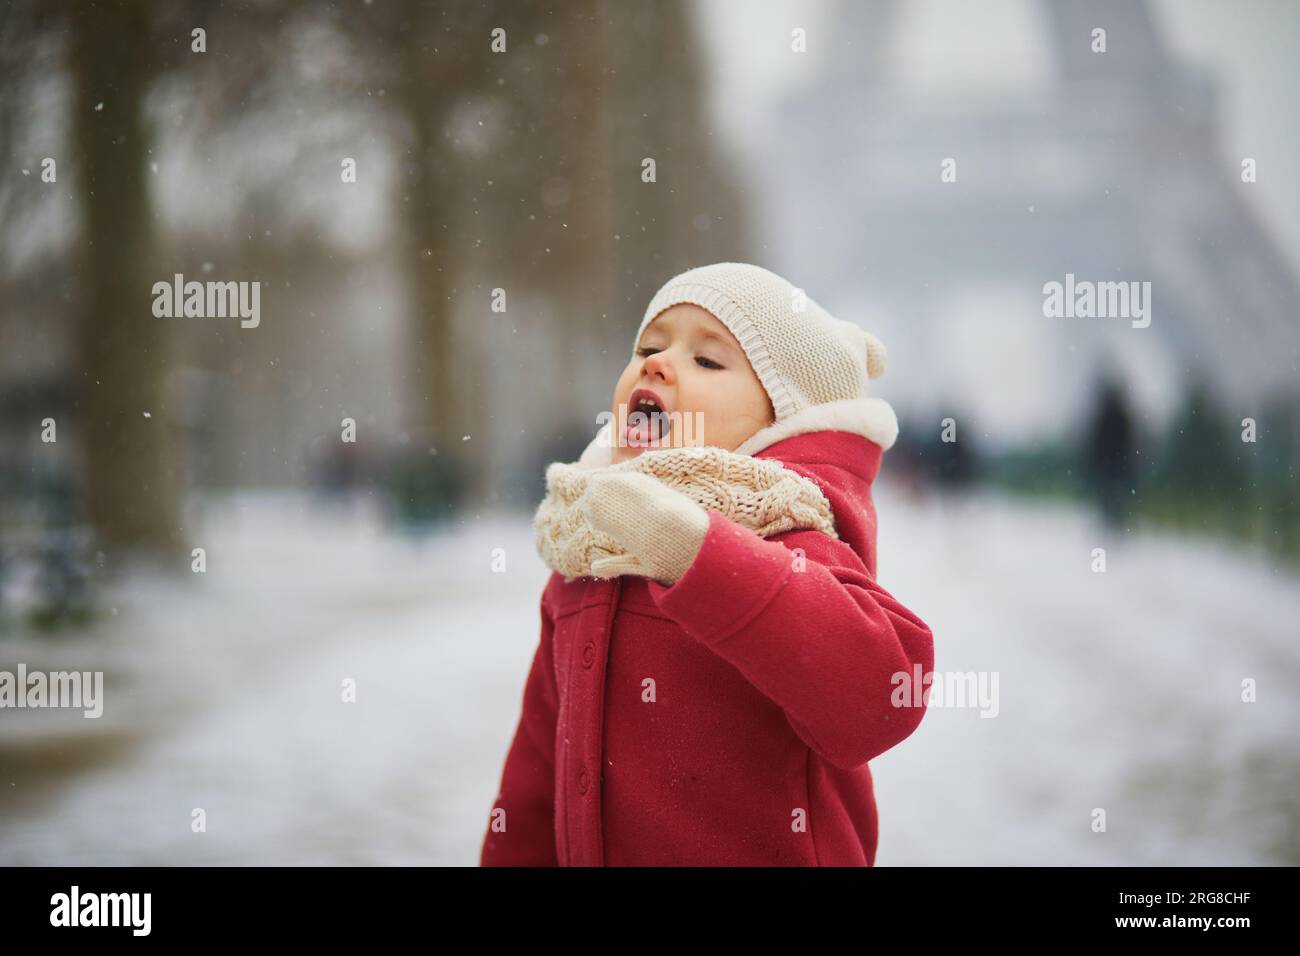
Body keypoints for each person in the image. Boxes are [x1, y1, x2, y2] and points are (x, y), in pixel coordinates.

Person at [480, 262, 935, 866]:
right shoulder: (586, 549)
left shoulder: (785, 533)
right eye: (649, 345)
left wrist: (697, 552)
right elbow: (539, 766)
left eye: (708, 361)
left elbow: (884, 696)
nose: (658, 363)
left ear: (781, 423)